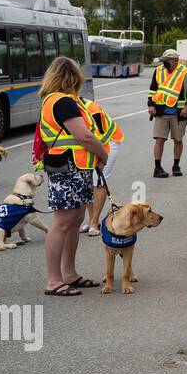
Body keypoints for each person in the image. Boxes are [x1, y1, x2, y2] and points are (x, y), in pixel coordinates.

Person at [38, 56, 109, 296]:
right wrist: (103, 154)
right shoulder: (63, 102)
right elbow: (85, 136)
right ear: (71, 78)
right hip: (69, 169)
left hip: (73, 167)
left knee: (75, 219)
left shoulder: (54, 100)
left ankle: (68, 274)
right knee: (62, 223)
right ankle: (54, 279)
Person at [147, 48, 187, 178]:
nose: (165, 62)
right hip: (161, 112)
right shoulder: (158, 70)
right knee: (159, 139)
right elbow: (153, 89)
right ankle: (157, 168)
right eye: (164, 60)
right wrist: (151, 104)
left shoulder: (185, 73)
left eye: (167, 60)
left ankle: (176, 166)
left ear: (175, 60)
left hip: (179, 114)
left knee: (178, 140)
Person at [82, 97, 124, 237]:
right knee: (87, 180)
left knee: (98, 180)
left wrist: (101, 157)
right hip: (89, 144)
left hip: (108, 142)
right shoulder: (68, 109)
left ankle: (94, 222)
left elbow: (98, 137)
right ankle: (91, 219)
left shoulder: (90, 108)